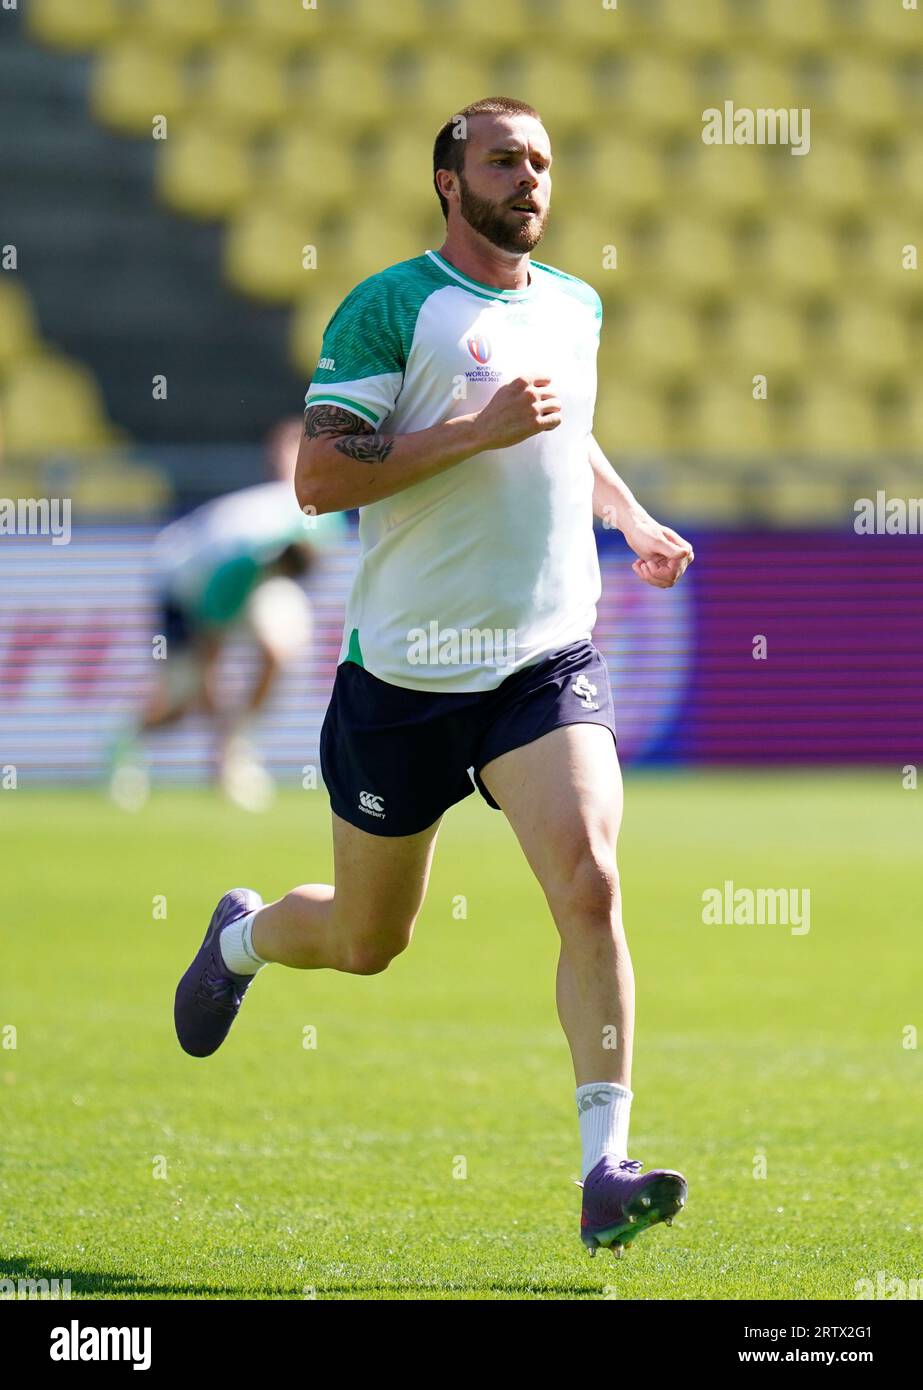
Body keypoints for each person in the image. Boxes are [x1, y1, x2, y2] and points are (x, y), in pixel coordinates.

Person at [174, 97, 694, 1256]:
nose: (530, 179)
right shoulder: (388, 306)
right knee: (368, 941)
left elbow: (566, 431)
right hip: (404, 679)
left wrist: (631, 517)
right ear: (448, 183)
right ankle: (242, 939)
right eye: (503, 160)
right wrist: (471, 432)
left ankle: (601, 1166)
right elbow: (318, 475)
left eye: (543, 162)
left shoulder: (573, 303)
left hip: (539, 660)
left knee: (592, 881)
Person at [110, 419, 344, 811]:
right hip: (183, 584)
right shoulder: (240, 564)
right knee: (183, 698)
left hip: (238, 573)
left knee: (281, 646)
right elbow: (211, 649)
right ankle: (123, 740)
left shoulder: (314, 516)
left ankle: (238, 748)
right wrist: (216, 722)